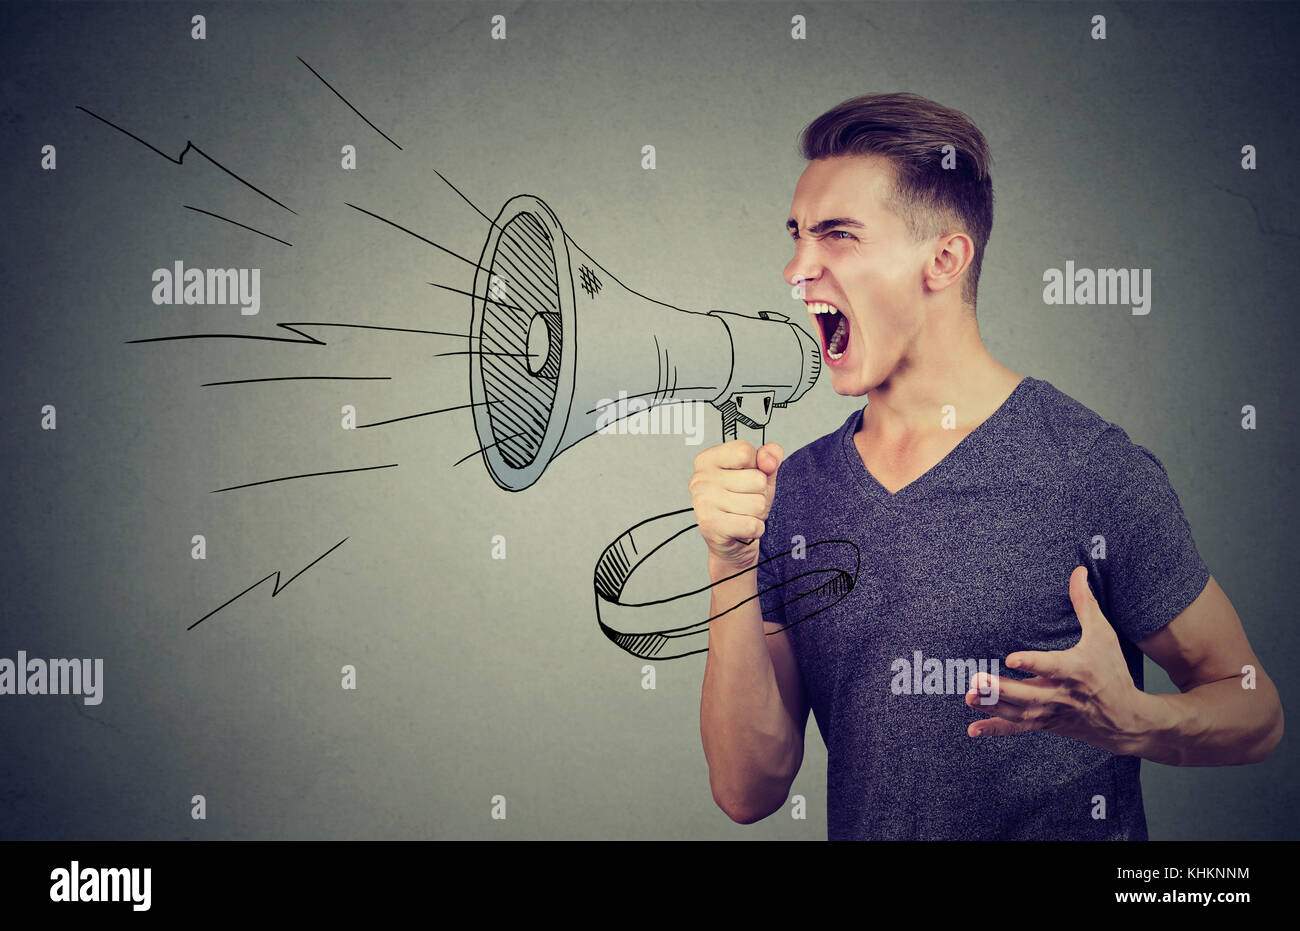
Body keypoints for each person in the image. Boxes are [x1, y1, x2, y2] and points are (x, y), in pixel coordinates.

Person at [690, 92, 1283, 840]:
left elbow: (1253, 708)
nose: (796, 267)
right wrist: (728, 561)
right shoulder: (795, 491)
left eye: (837, 235)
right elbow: (749, 788)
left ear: (944, 257)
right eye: (798, 234)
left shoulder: (1086, 465)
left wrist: (1140, 722)